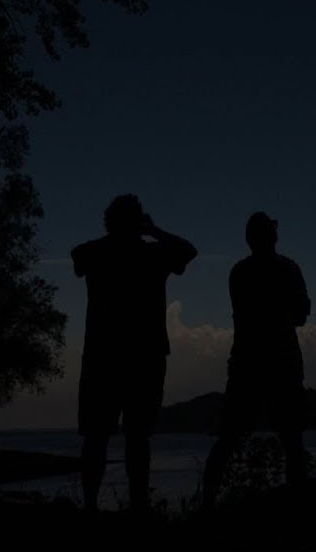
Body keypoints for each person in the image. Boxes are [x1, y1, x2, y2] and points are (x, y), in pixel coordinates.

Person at [71, 194, 197, 515]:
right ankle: (138, 508)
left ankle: (91, 507)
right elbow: (187, 251)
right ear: (138, 221)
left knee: (98, 436)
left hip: (103, 357)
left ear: (109, 221)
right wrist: (154, 231)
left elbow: (77, 259)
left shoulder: (94, 252)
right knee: (137, 438)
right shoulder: (153, 254)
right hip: (143, 358)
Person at [201, 212, 311, 513]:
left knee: (227, 439)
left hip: (246, 363)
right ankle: (298, 509)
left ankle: (206, 507)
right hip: (281, 363)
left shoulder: (239, 272)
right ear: (273, 236)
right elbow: (302, 315)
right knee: (292, 440)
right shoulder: (287, 268)